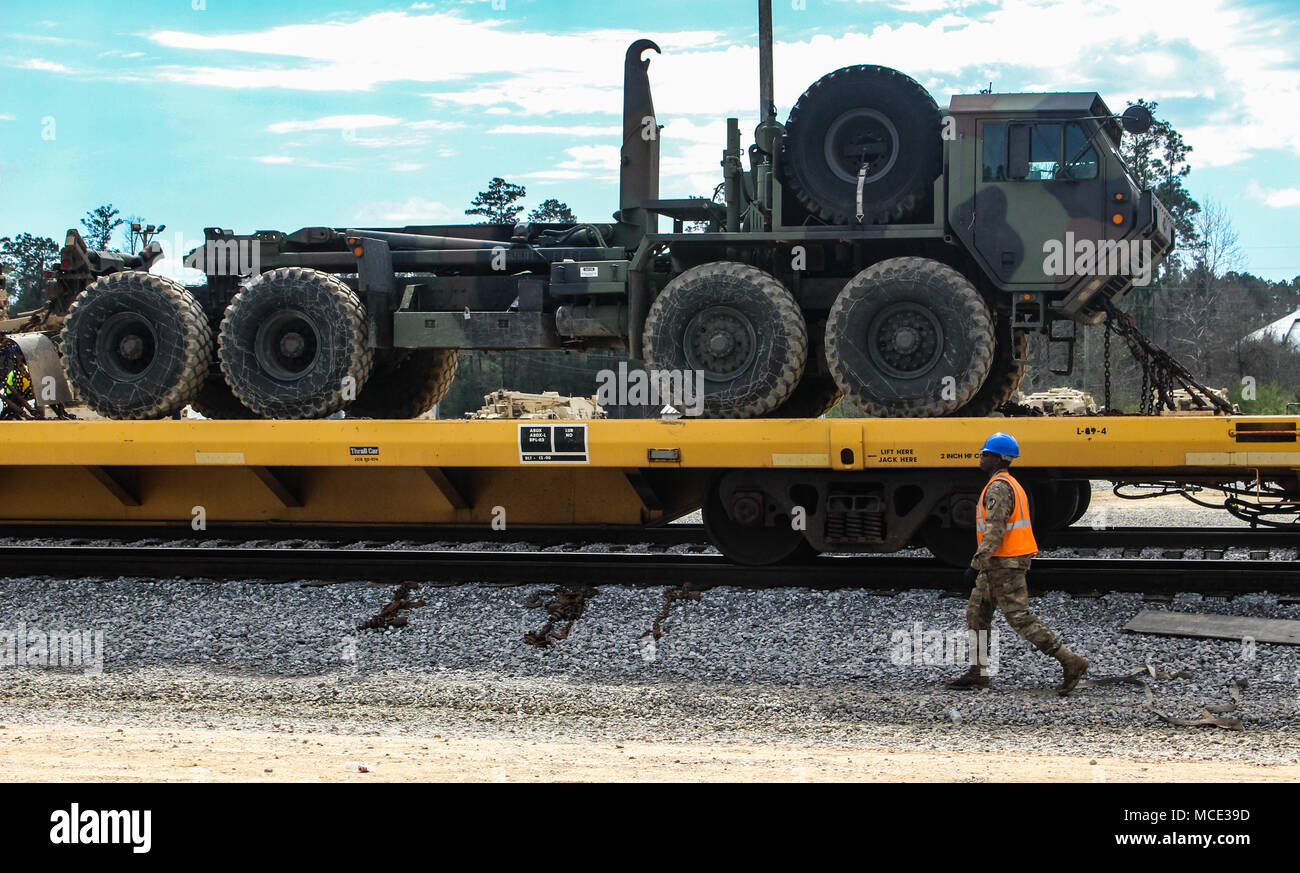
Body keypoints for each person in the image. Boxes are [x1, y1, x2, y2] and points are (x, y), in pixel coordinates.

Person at [946, 432, 1090, 695]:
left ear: (999, 459)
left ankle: (1071, 661)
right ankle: (978, 672)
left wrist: (976, 563)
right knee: (976, 614)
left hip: (1005, 563)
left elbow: (995, 529)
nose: (982, 457)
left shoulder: (1000, 487)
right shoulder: (1006, 482)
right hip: (997, 563)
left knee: (1019, 618)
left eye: (986, 454)